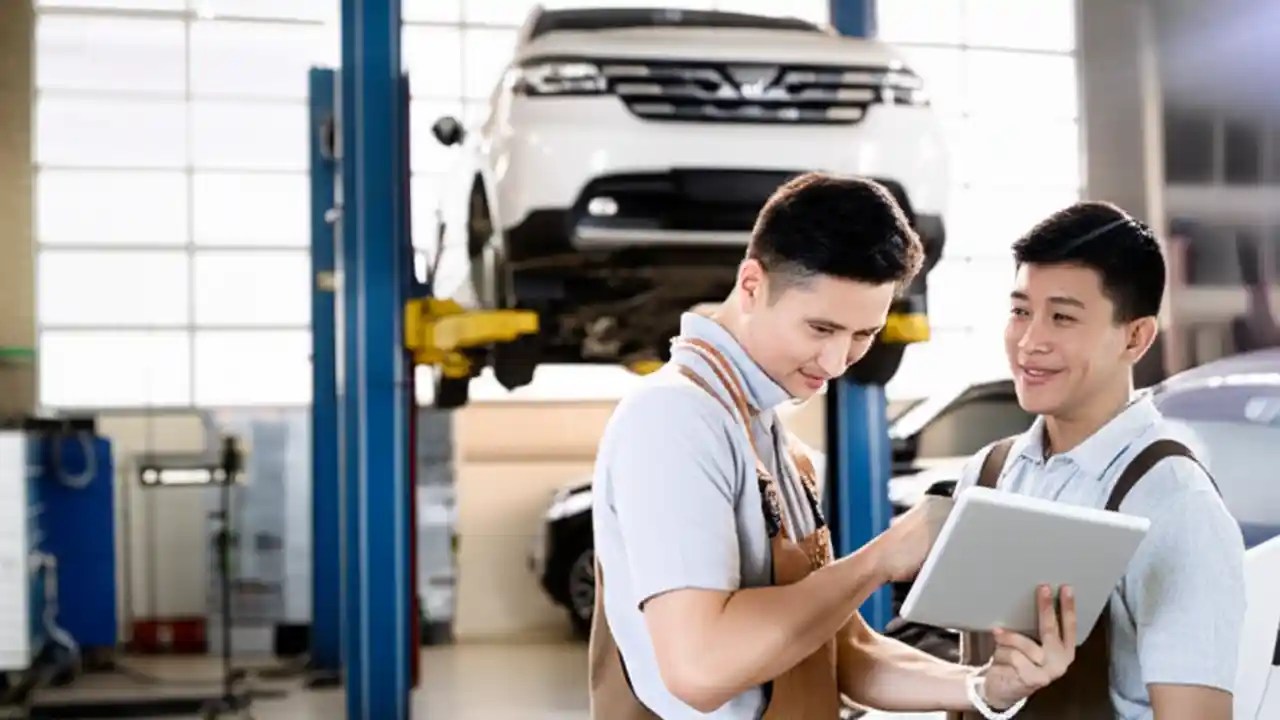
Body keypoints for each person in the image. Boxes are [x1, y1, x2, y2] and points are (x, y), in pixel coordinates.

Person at [588, 172, 1077, 719]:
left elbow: (845, 652)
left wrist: (985, 687)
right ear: (751, 285)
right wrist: (881, 559)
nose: (837, 361)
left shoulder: (771, 440)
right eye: (821, 329)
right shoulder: (674, 418)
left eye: (863, 336)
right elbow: (700, 670)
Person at [950, 201, 1247, 719]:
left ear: (1136, 337)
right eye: (1021, 310)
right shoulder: (988, 473)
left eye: (1062, 317)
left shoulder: (1176, 504)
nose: (1030, 341)